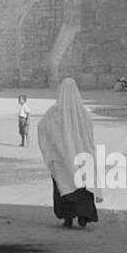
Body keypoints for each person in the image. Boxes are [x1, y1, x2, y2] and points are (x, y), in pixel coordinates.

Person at [37, 78, 99, 228]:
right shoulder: (83, 113)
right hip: (82, 157)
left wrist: (55, 146)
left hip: (61, 157)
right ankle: (84, 216)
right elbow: (89, 135)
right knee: (82, 186)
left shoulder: (53, 112)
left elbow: (42, 128)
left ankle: (68, 217)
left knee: (63, 185)